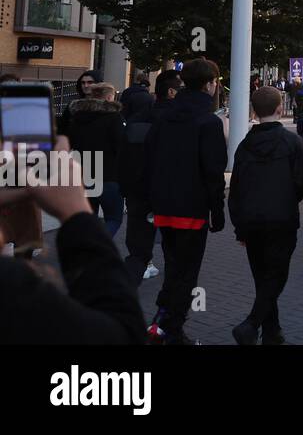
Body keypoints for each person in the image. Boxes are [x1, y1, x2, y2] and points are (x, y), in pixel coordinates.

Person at [0, 138, 146, 344]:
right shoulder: (12, 288)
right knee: (113, 218)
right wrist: (76, 213)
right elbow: (123, 333)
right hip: (104, 180)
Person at [142, 58, 227, 345]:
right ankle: (169, 327)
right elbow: (213, 171)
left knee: (174, 266)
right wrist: (218, 210)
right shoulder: (209, 122)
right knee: (186, 272)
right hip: (192, 207)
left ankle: (162, 321)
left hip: (164, 206)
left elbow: (149, 159)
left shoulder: (163, 116)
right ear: (209, 84)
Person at [228, 86, 303, 345]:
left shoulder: (244, 146)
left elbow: (237, 188)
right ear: (279, 108)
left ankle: (272, 331)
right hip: (282, 218)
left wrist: (239, 225)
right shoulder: (292, 143)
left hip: (251, 221)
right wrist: (287, 199)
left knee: (262, 275)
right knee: (276, 275)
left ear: (254, 110)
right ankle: (252, 323)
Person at [119, 70, 179, 286]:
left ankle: (120, 301)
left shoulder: (137, 121)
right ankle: (169, 309)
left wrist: (126, 189)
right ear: (172, 92)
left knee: (137, 252)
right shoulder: (180, 121)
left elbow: (124, 157)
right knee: (177, 254)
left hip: (138, 192)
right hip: (170, 194)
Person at [65, 82, 124, 237]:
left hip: (84, 173)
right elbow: (120, 146)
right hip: (108, 173)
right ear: (110, 97)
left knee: (88, 218)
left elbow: (69, 142)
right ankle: (96, 246)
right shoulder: (113, 117)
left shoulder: (78, 117)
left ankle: (84, 248)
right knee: (113, 218)